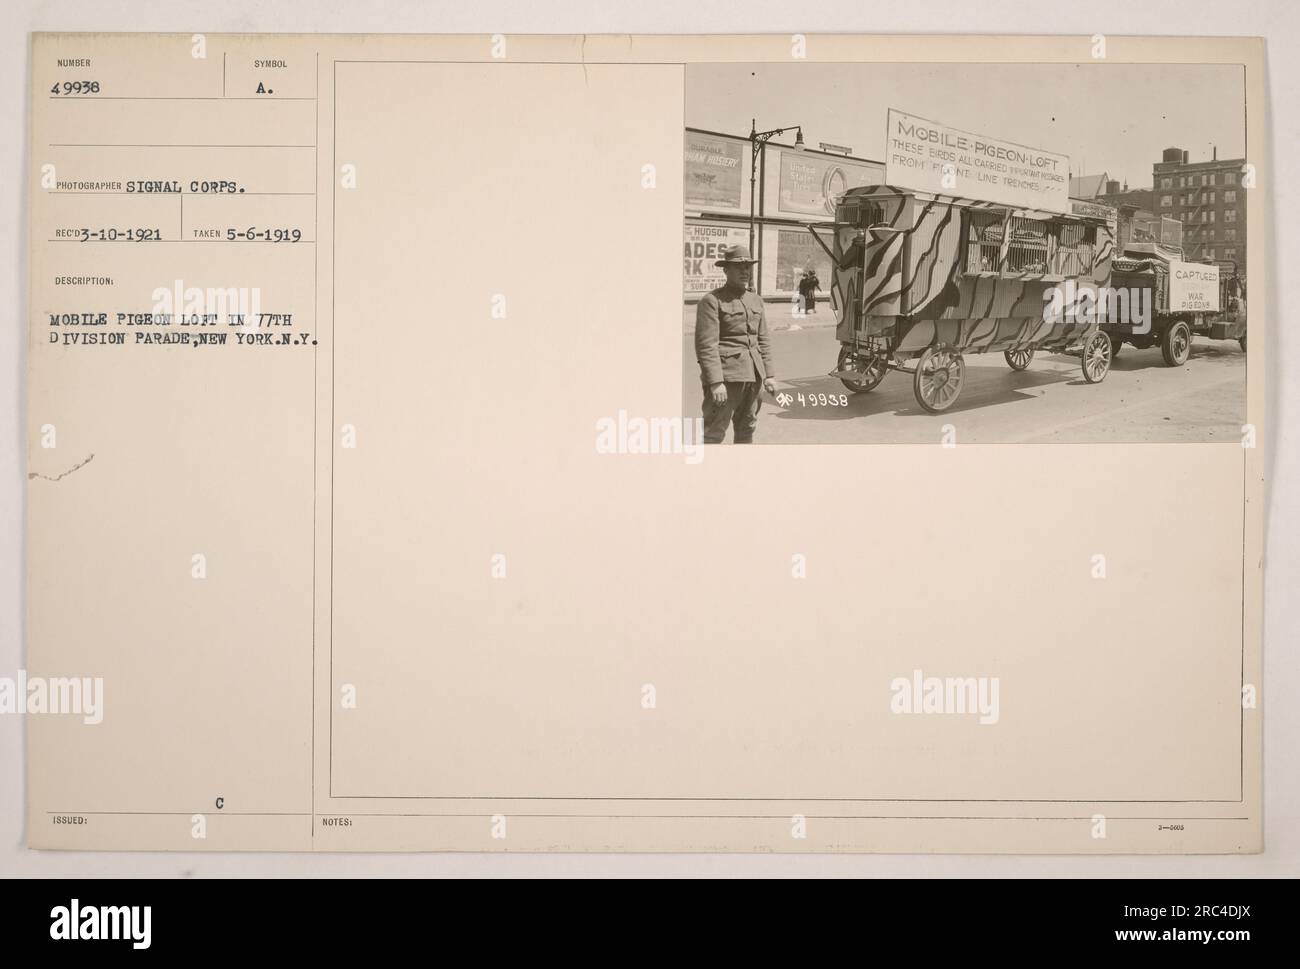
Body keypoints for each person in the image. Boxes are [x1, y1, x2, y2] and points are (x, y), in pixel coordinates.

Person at [694, 245, 776, 444]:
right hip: (727, 379)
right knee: (713, 432)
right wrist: (715, 382)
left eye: (747, 266)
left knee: (747, 428)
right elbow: (707, 346)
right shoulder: (712, 301)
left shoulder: (756, 300)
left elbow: (762, 339)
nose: (745, 271)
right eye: (739, 267)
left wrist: (769, 375)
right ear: (726, 270)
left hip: (753, 377)